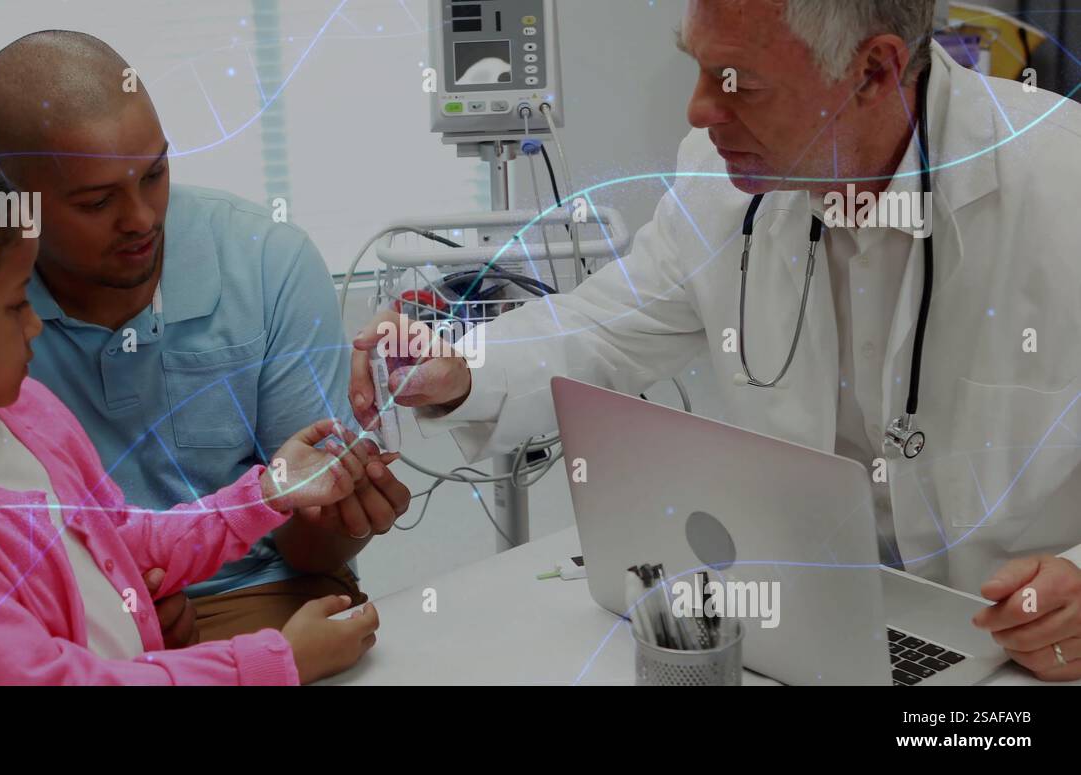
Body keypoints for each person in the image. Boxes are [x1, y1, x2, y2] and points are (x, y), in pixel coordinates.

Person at [350, 0, 1081, 680]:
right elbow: (602, 327)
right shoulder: (718, 184)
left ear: (874, 71)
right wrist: (460, 367)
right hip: (797, 632)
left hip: (1015, 656)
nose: (699, 111)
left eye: (741, 85)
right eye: (696, 66)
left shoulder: (1060, 185)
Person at [0, 141, 379, 684]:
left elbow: (116, 540)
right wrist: (275, 662)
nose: (35, 323)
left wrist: (268, 492)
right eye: (16, 305)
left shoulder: (24, 412)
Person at [0, 30, 411, 644]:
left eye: (154, 174)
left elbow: (312, 552)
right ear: (14, 197)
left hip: (253, 594)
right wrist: (122, 611)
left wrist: (342, 514)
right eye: (97, 203)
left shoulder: (265, 261)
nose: (143, 219)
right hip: (67, 613)